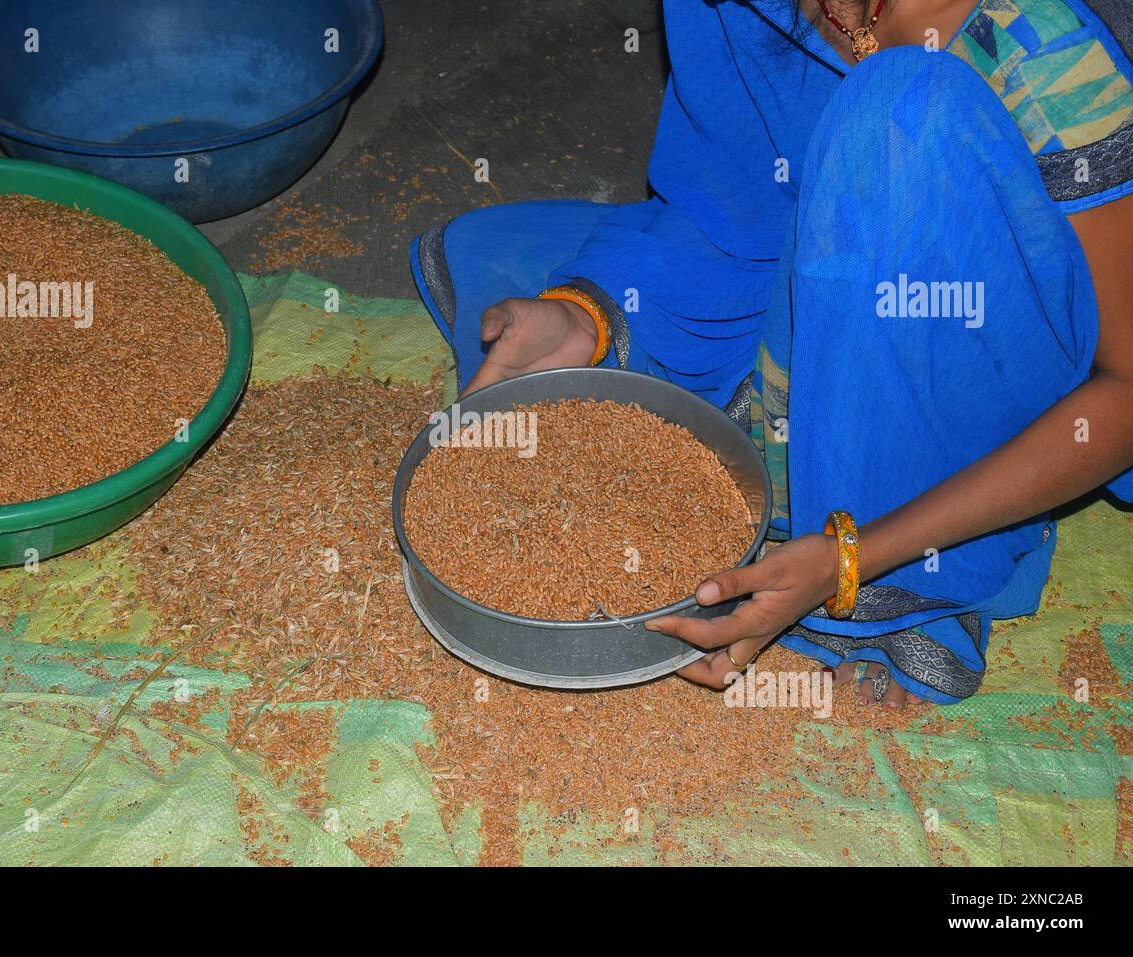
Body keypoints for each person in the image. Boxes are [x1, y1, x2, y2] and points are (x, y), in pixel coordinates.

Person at [409, 0, 1133, 708]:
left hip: (985, 333)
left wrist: (852, 557)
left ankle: (910, 572)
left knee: (902, 109)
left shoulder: (1043, 55)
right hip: (814, 266)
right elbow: (737, 206)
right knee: (531, 273)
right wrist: (586, 318)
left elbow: (1124, 389)